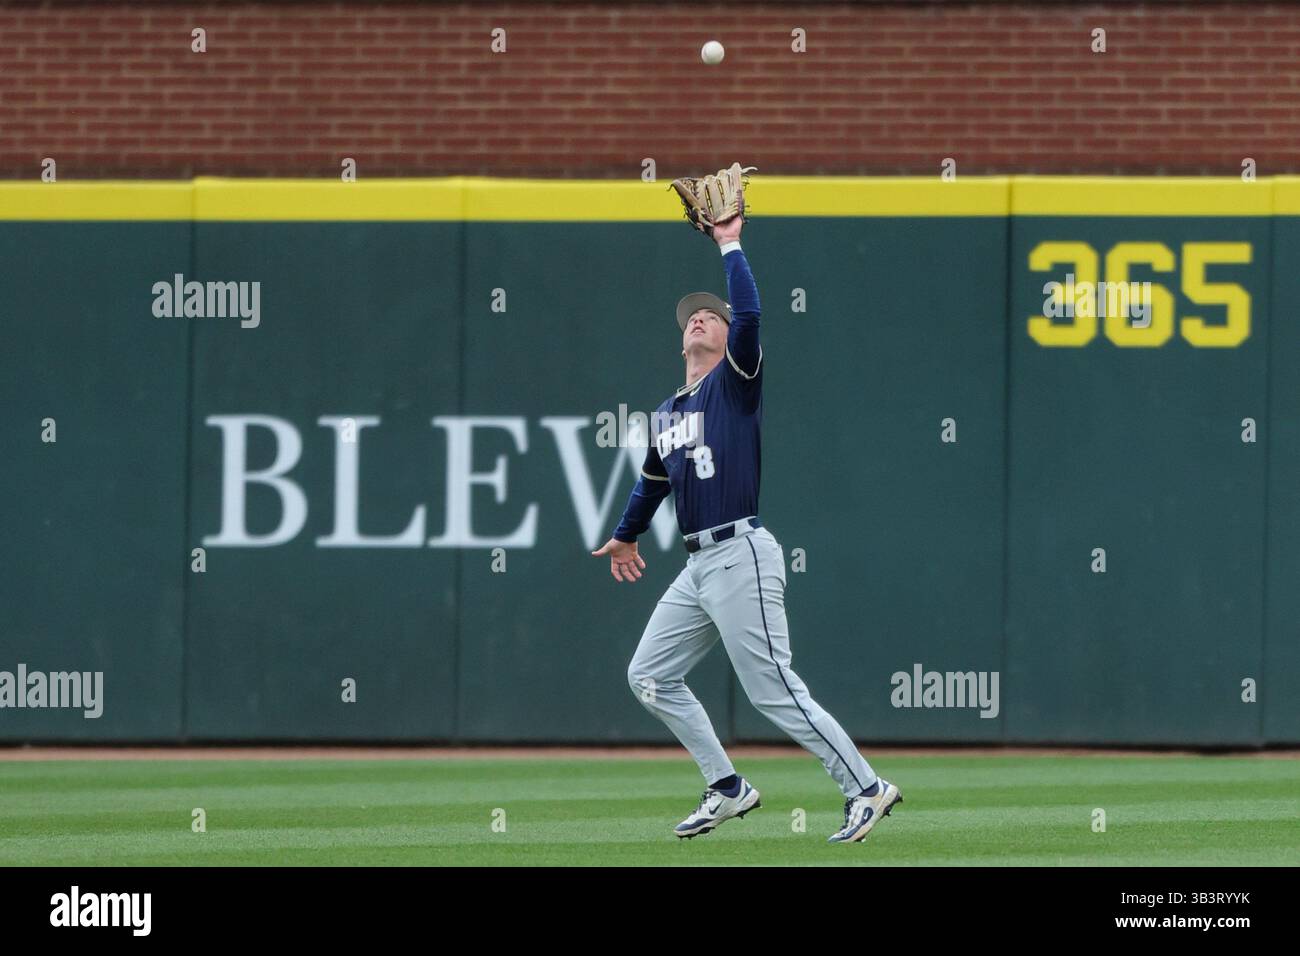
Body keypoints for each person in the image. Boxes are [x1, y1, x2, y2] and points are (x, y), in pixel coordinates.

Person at [591, 208, 903, 843]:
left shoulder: (735, 383)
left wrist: (729, 245)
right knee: (649, 675)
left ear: (731, 339)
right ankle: (728, 787)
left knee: (773, 690)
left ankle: (866, 788)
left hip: (741, 552)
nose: (699, 319)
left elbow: (752, 316)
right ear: (681, 343)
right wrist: (626, 533)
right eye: (692, 318)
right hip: (698, 566)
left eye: (713, 316)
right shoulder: (667, 411)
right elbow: (652, 481)